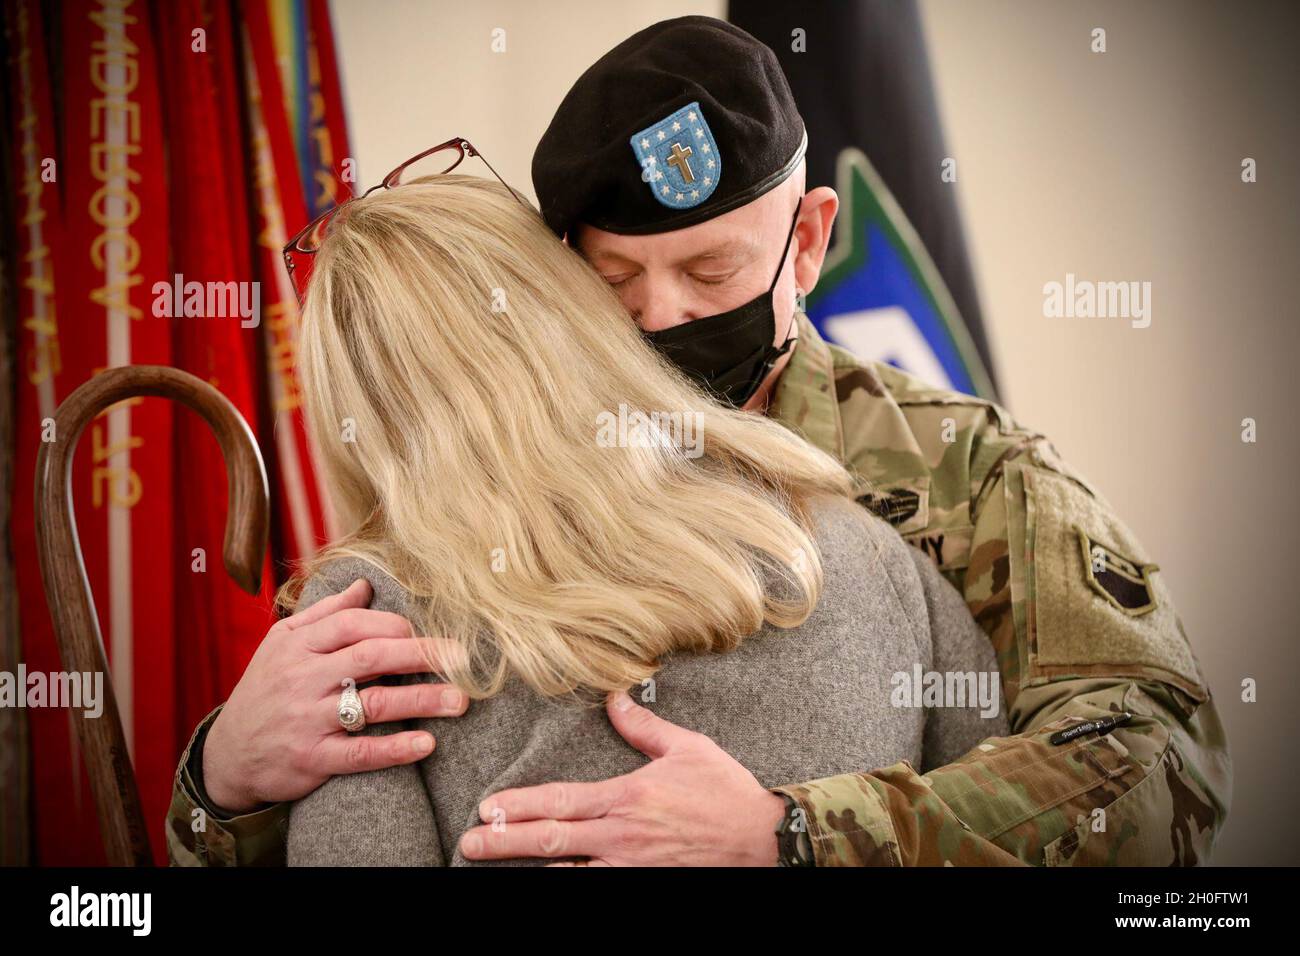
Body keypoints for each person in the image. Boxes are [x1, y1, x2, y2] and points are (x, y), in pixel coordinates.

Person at [167, 16, 1229, 868]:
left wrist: (794, 834)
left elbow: (1156, 773)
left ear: (806, 242)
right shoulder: (460, 513)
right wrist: (225, 775)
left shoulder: (962, 476)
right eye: (615, 282)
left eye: (713, 274)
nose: (664, 318)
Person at [278, 174, 1007, 865]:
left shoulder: (362, 619)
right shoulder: (859, 537)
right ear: (579, 307)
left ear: (360, 406)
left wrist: (213, 786)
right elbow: (1010, 824)